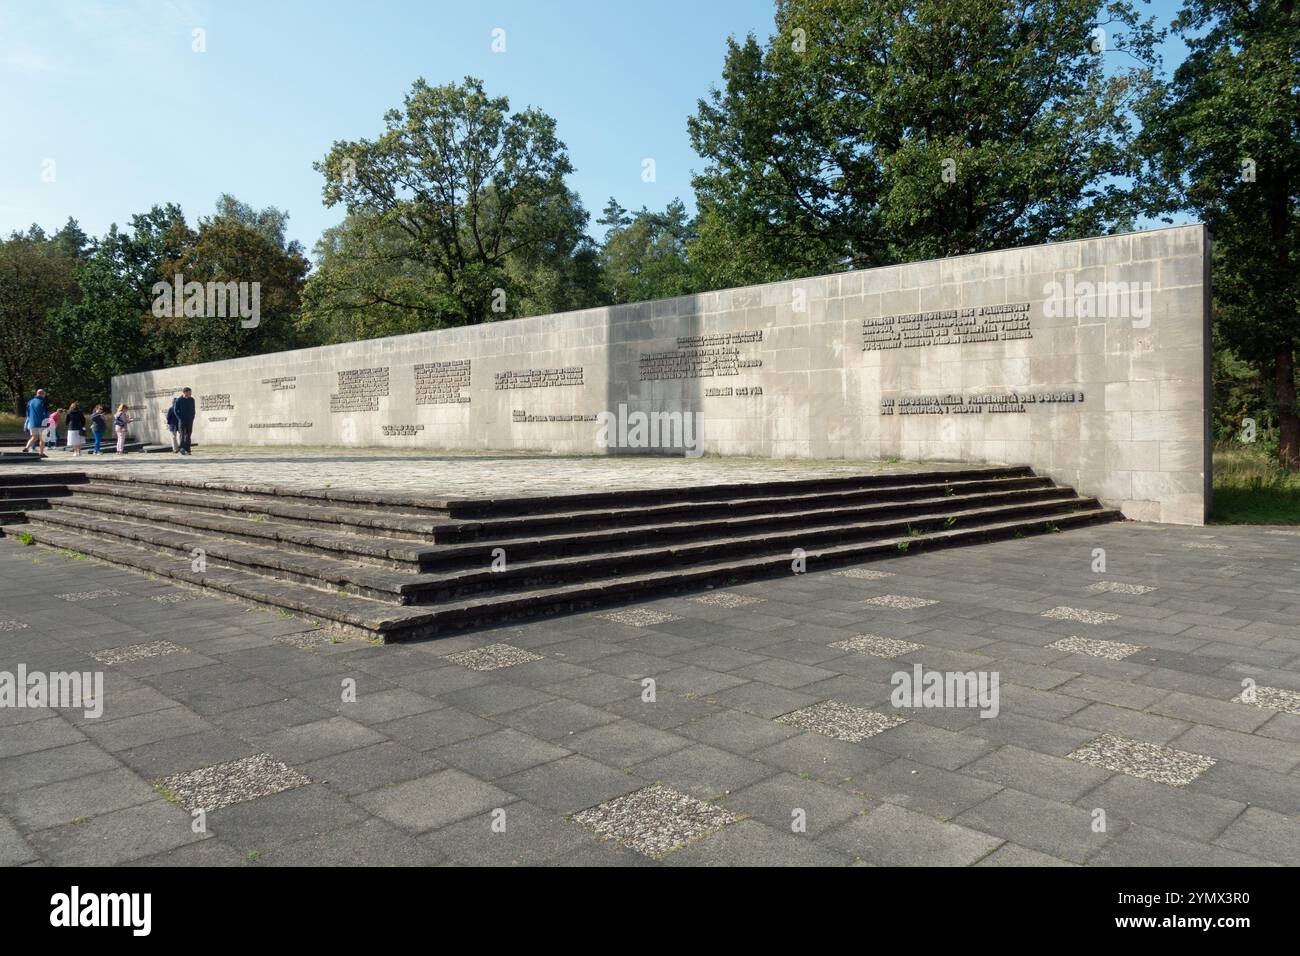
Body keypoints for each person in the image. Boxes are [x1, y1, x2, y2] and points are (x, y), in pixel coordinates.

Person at [22, 389, 49, 458]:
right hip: (41, 423)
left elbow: (27, 413)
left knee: (34, 437)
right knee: (42, 439)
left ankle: (26, 448)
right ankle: (41, 453)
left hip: (32, 423)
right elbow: (45, 413)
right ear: (42, 394)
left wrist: (28, 422)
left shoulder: (30, 402)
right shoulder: (43, 401)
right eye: (44, 394)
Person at [172, 387, 196, 456]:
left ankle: (188, 449)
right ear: (185, 392)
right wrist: (180, 418)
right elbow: (175, 410)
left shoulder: (192, 400)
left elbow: (193, 409)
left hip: (190, 420)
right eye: (189, 392)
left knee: (188, 435)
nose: (191, 394)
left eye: (191, 392)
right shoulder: (179, 400)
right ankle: (182, 448)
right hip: (182, 420)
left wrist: (192, 417)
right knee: (182, 434)